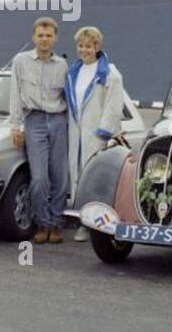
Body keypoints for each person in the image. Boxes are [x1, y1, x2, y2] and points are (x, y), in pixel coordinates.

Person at [8, 17, 70, 244]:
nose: (44, 39)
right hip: (33, 121)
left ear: (55, 38)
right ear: (34, 37)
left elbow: (68, 97)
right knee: (40, 178)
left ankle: (56, 224)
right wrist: (15, 125)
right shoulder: (21, 61)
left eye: (49, 36)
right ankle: (42, 222)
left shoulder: (62, 65)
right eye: (41, 35)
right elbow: (15, 94)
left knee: (60, 177)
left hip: (57, 120)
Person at [65, 25, 128, 239]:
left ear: (97, 46)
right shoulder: (74, 71)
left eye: (89, 46)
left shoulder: (110, 74)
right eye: (81, 46)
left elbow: (113, 105)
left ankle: (91, 223)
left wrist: (104, 130)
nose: (84, 50)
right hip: (76, 133)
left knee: (93, 175)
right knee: (76, 173)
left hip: (95, 134)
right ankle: (79, 216)